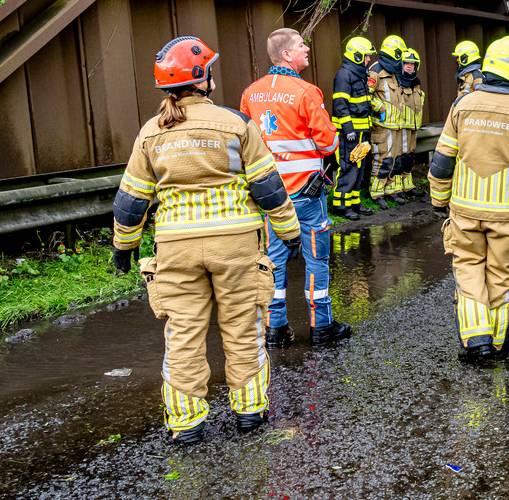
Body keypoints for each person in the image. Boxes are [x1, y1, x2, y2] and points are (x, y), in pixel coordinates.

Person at [112, 36, 301, 443]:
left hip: (176, 249)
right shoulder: (236, 125)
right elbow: (268, 188)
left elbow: (131, 200)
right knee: (242, 328)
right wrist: (289, 232)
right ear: (203, 79)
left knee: (182, 334)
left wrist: (124, 247)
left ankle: (185, 424)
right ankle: (250, 413)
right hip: (235, 246)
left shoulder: (150, 133)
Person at [429, 36, 509, 365]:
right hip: (507, 214)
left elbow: (443, 160)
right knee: (501, 274)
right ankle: (500, 341)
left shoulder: (462, 105)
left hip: (464, 210)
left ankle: (477, 342)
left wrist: (438, 199)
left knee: (468, 271)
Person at [241, 28, 353, 348]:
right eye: (301, 45)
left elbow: (246, 143)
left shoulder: (251, 93)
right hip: (305, 191)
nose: (307, 48)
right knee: (316, 256)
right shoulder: (306, 92)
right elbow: (328, 140)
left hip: (270, 194)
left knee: (274, 259)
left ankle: (274, 329)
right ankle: (322, 325)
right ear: (287, 55)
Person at [329, 36, 379, 221]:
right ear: (357, 55)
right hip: (349, 133)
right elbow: (340, 105)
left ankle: (354, 202)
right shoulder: (344, 75)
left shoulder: (359, 74)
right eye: (366, 56)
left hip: (362, 131)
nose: (369, 60)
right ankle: (340, 206)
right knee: (348, 167)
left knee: (359, 167)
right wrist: (349, 129)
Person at [368, 35, 409, 208]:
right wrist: (381, 109)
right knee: (383, 160)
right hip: (382, 126)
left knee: (395, 160)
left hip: (396, 125)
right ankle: (377, 193)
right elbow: (365, 96)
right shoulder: (375, 71)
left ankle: (391, 190)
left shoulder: (395, 72)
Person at [397, 47, 427, 200]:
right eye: (406, 63)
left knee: (410, 157)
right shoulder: (398, 82)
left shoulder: (416, 82)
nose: (410, 66)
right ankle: (398, 188)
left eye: (412, 64)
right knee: (401, 157)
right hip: (402, 126)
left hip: (414, 126)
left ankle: (408, 186)